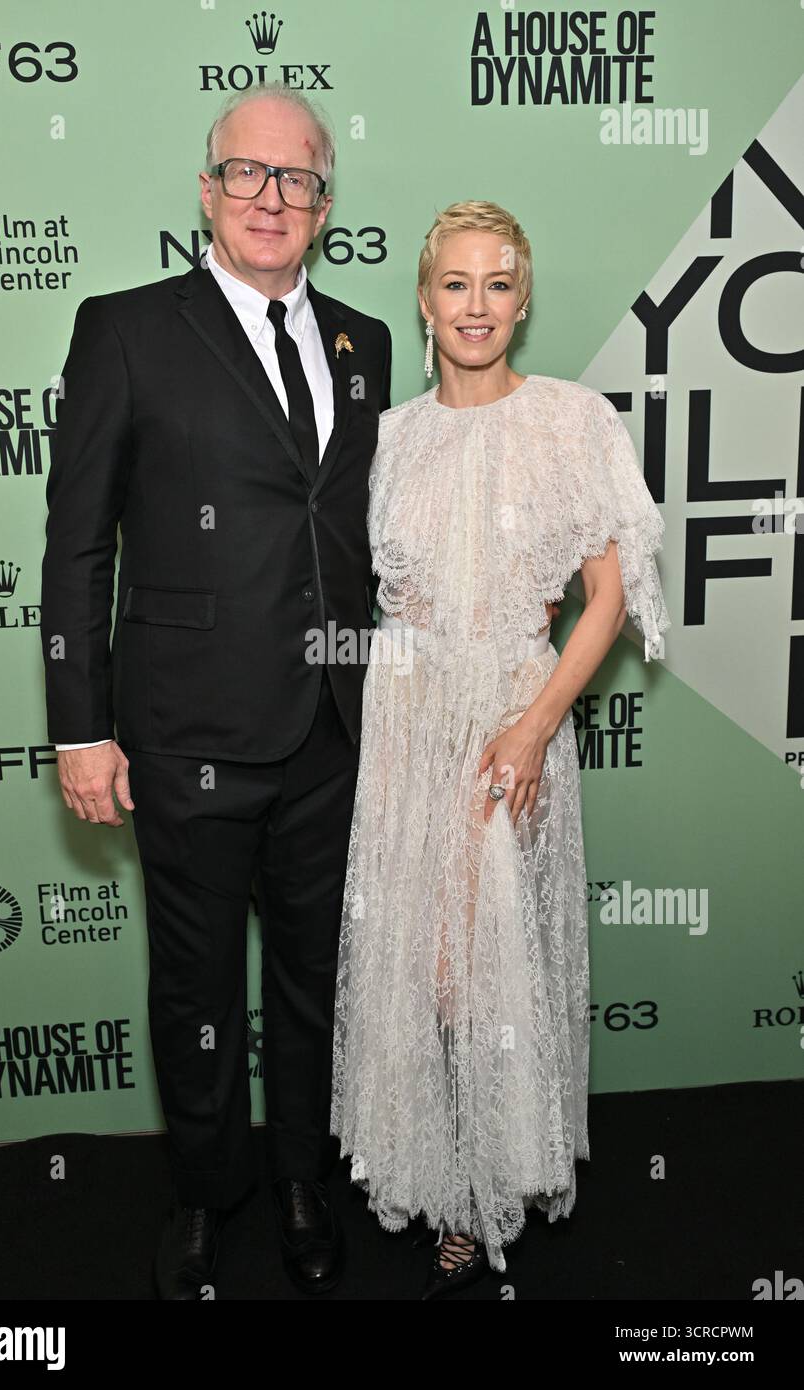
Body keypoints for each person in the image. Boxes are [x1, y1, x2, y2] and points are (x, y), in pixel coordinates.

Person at [40, 83, 391, 1298]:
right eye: (246, 173)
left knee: (310, 981)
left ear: (323, 204)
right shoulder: (126, 330)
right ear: (206, 188)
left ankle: (302, 1179)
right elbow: (77, 545)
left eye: (295, 179)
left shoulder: (363, 342)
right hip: (185, 730)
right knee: (193, 986)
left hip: (330, 733)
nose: (270, 198)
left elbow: (353, 533)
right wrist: (79, 726)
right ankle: (205, 1193)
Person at [330, 200, 671, 1299]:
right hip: (404, 720)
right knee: (421, 967)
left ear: (521, 302)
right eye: (454, 285)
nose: (474, 306)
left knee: (488, 965)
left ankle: (483, 1198)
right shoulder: (386, 438)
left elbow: (607, 596)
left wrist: (529, 726)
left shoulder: (572, 421)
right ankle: (433, 1165)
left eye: (496, 285)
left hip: (509, 717)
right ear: (423, 302)